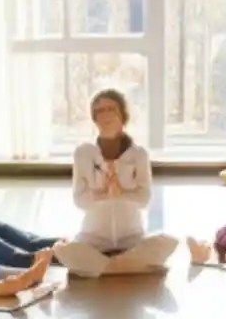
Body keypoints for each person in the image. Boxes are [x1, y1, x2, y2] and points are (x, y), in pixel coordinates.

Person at [54, 89, 178, 277]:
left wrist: (120, 192)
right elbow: (79, 201)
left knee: (167, 241)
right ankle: (125, 265)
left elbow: (144, 199)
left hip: (131, 238)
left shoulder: (139, 154)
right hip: (93, 239)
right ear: (94, 118)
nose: (105, 115)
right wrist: (100, 194)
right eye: (99, 111)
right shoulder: (83, 153)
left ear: (122, 114)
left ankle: (104, 267)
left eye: (110, 108)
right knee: (64, 249)